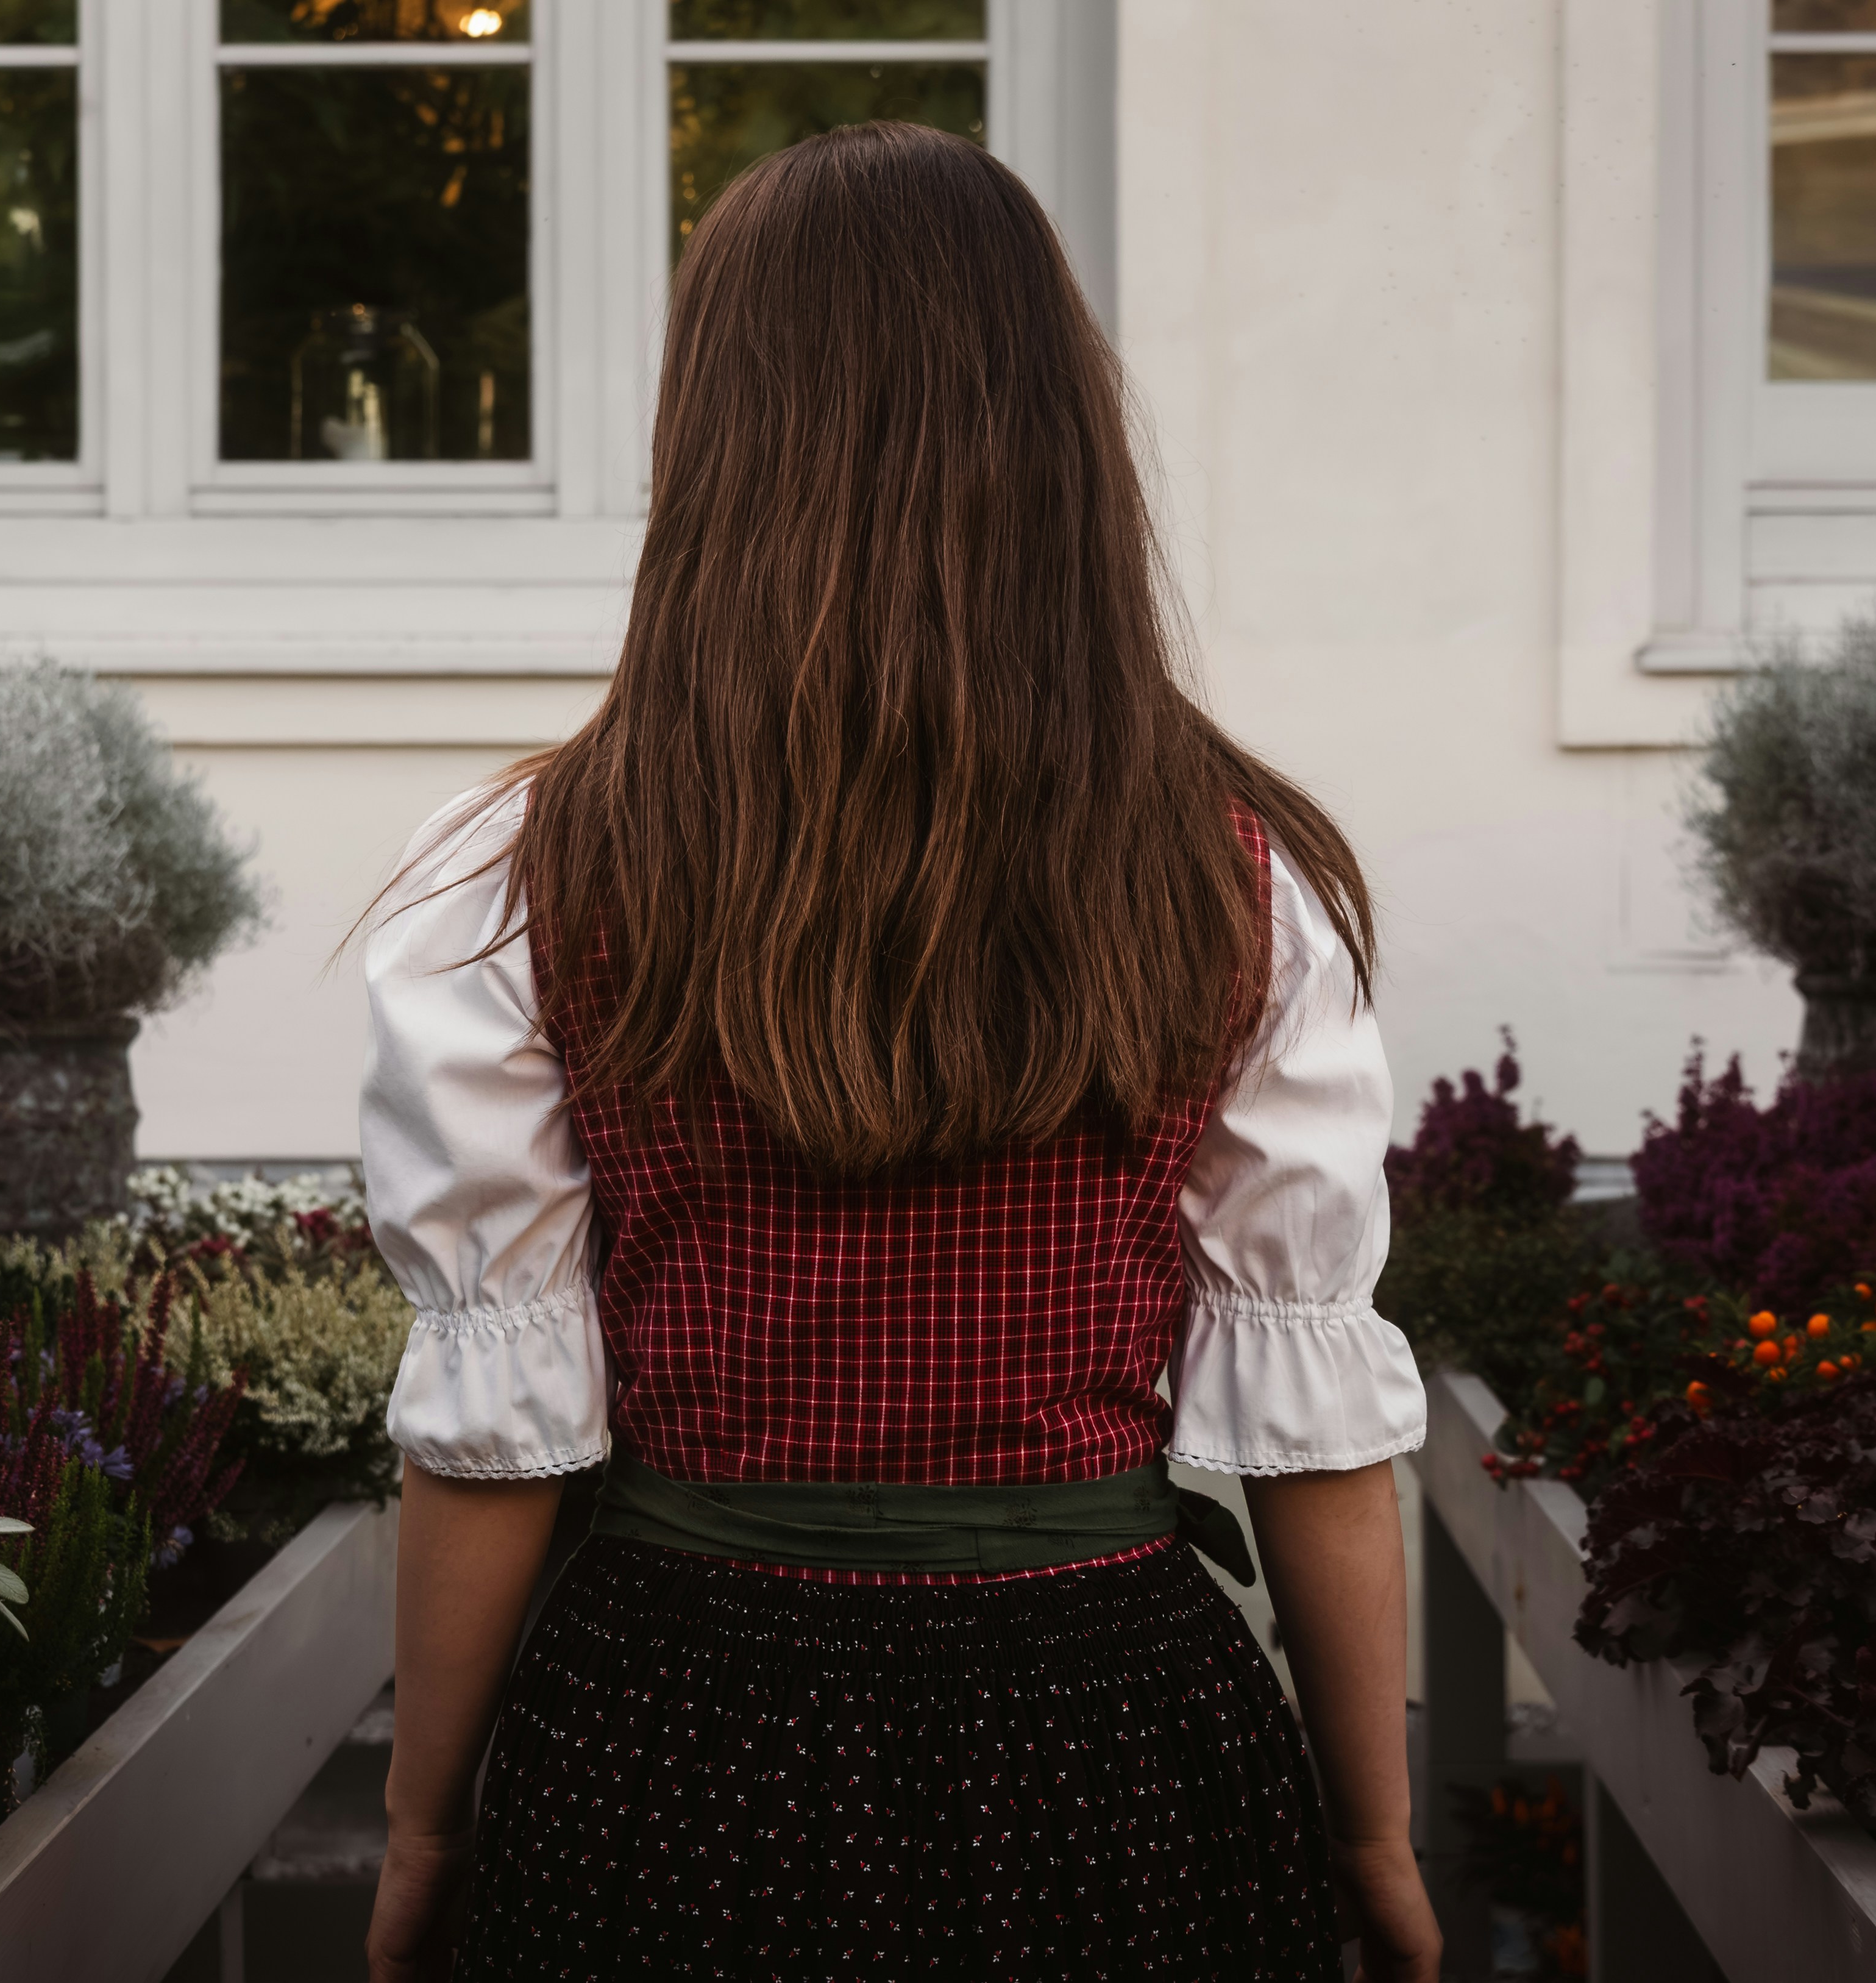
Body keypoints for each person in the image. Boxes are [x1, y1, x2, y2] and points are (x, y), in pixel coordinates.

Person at [355, 120, 1440, 1983]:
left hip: (674, 1733)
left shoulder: (523, 872)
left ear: (713, 436)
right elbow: (1318, 1435)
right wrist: (1373, 1834)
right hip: (1114, 1733)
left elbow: (498, 1439)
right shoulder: (1239, 869)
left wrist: (420, 1825)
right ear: (1061, 435)